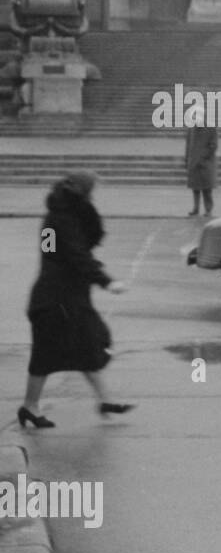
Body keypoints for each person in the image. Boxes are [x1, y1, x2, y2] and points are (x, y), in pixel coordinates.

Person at [18, 172, 133, 429]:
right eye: (92, 191)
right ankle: (29, 406)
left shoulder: (54, 218)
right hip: (56, 301)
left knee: (86, 347)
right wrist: (105, 280)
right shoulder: (63, 219)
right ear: (84, 192)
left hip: (61, 295)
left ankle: (104, 400)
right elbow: (76, 254)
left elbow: (51, 252)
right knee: (48, 355)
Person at [185, 122, 218, 217]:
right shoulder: (191, 129)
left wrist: (203, 156)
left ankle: (208, 209)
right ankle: (195, 209)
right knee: (195, 188)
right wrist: (187, 160)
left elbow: (214, 145)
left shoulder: (211, 128)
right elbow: (188, 145)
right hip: (194, 162)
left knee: (207, 189)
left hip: (206, 163)